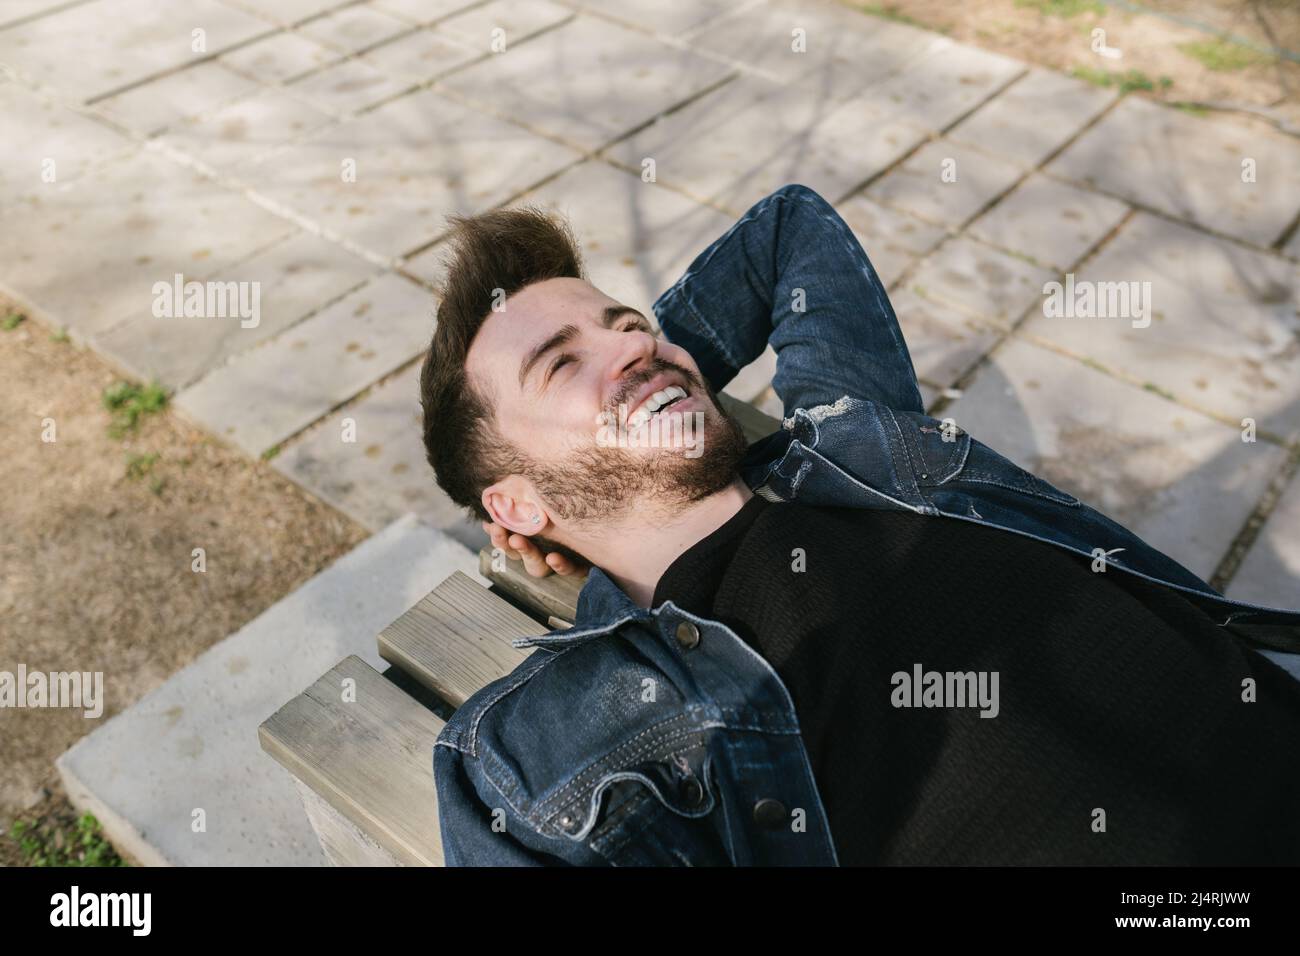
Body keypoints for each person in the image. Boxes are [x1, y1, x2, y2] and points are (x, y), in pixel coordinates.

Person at [419, 183, 1300, 866]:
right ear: (515, 506)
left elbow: (787, 230)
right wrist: (621, 418)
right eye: (559, 360)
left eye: (629, 322)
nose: (632, 342)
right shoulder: (542, 738)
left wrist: (639, 388)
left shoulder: (852, 449)